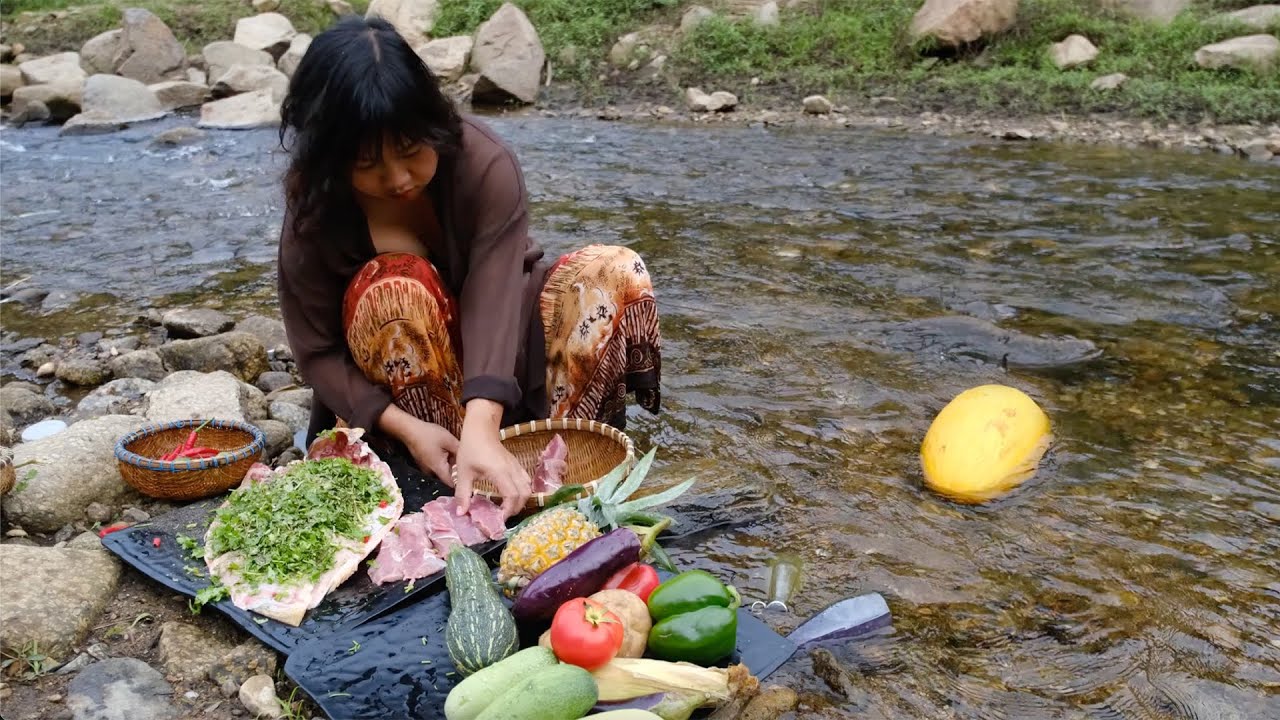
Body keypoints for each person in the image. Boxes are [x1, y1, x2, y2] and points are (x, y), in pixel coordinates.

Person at [275, 16, 662, 520]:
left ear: (434, 127)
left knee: (614, 272)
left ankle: (563, 469)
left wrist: (483, 421)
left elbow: (495, 293)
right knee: (397, 286)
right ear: (331, 160)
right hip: (406, 411)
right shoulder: (315, 210)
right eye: (368, 164)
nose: (397, 179)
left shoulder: (485, 164)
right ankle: (446, 479)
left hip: (506, 367)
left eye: (412, 152)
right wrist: (406, 428)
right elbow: (318, 353)